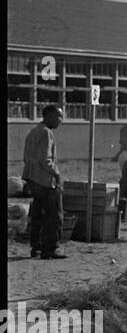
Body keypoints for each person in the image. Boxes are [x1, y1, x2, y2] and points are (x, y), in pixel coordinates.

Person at [23, 104, 67, 259]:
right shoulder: (46, 133)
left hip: (32, 178)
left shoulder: (34, 131)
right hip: (45, 180)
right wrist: (56, 174)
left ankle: (37, 247)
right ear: (48, 116)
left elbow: (27, 157)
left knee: (38, 215)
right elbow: (45, 159)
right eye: (59, 116)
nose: (61, 120)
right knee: (54, 215)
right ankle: (51, 248)